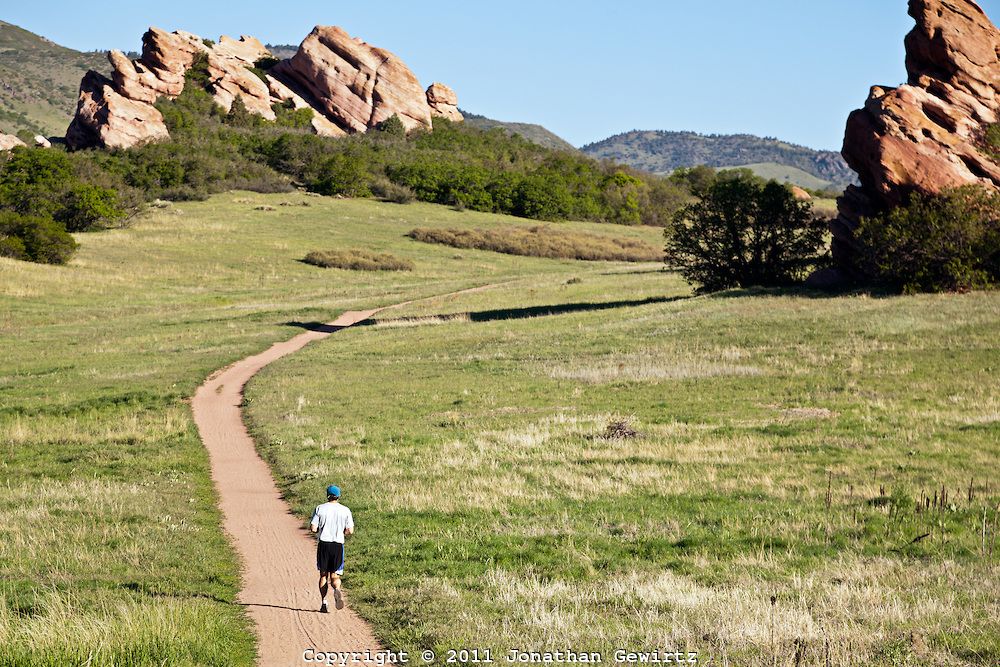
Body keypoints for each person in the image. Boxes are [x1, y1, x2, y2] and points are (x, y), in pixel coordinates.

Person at [310, 484, 354, 613]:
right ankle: (336, 589)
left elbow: (313, 528)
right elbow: (350, 530)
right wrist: (341, 532)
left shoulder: (320, 508)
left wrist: (319, 530)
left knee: (323, 575)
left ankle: (324, 602)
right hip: (337, 545)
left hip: (324, 544)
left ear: (327, 495)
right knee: (335, 576)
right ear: (339, 496)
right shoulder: (345, 510)